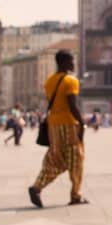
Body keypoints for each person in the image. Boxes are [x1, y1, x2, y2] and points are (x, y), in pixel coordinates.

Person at [28, 49, 87, 207]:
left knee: (55, 159)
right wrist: (82, 123)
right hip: (68, 124)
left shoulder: (49, 81)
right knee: (76, 159)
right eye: (71, 61)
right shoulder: (71, 81)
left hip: (53, 125)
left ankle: (37, 186)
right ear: (64, 63)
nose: (73, 64)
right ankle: (76, 195)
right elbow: (72, 105)